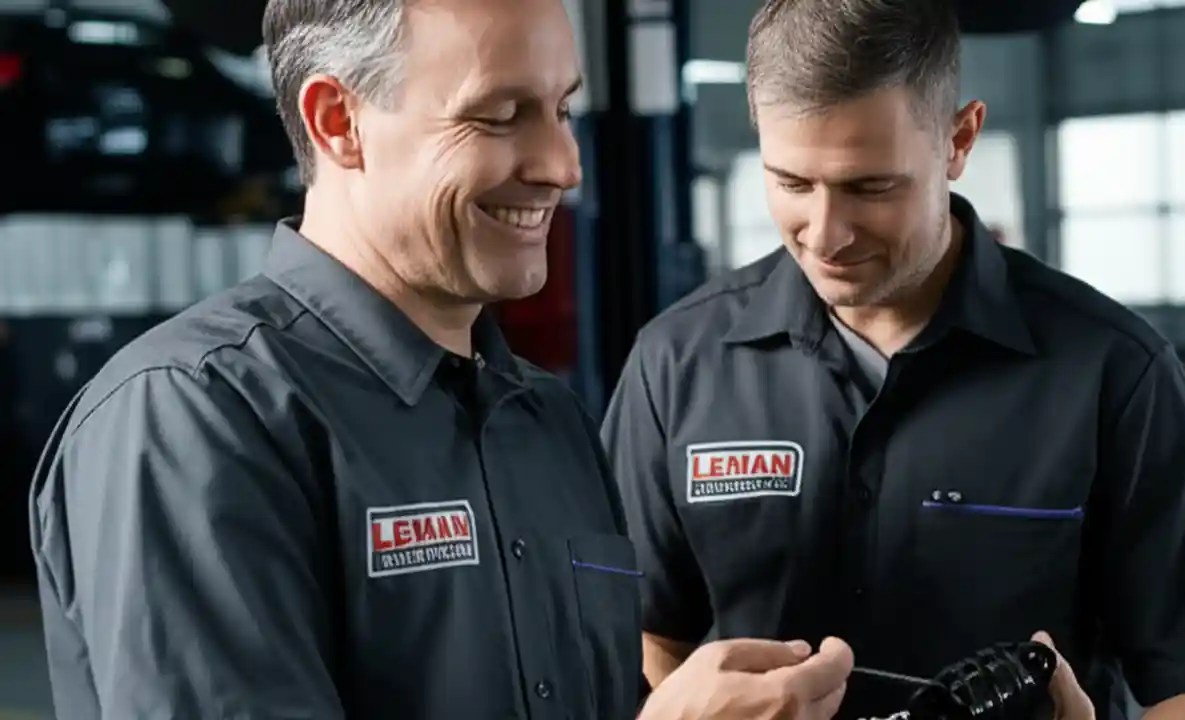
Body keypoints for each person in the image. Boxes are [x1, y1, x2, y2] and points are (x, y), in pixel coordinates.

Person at [27, 0, 855, 717]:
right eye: (499, 116)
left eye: (562, 110)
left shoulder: (549, 421)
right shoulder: (194, 419)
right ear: (338, 123)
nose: (562, 166)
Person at [601, 0, 1185, 718]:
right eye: (792, 183)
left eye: (870, 187)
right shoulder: (677, 365)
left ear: (959, 140)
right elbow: (641, 632)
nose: (826, 234)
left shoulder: (1113, 372)